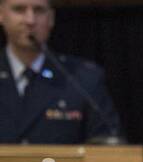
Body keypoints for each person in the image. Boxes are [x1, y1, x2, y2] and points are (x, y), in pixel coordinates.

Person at [0, 0, 122, 143]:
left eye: (39, 11)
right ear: (1, 14)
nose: (30, 20)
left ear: (51, 18)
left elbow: (108, 141)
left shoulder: (82, 78)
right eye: (19, 10)